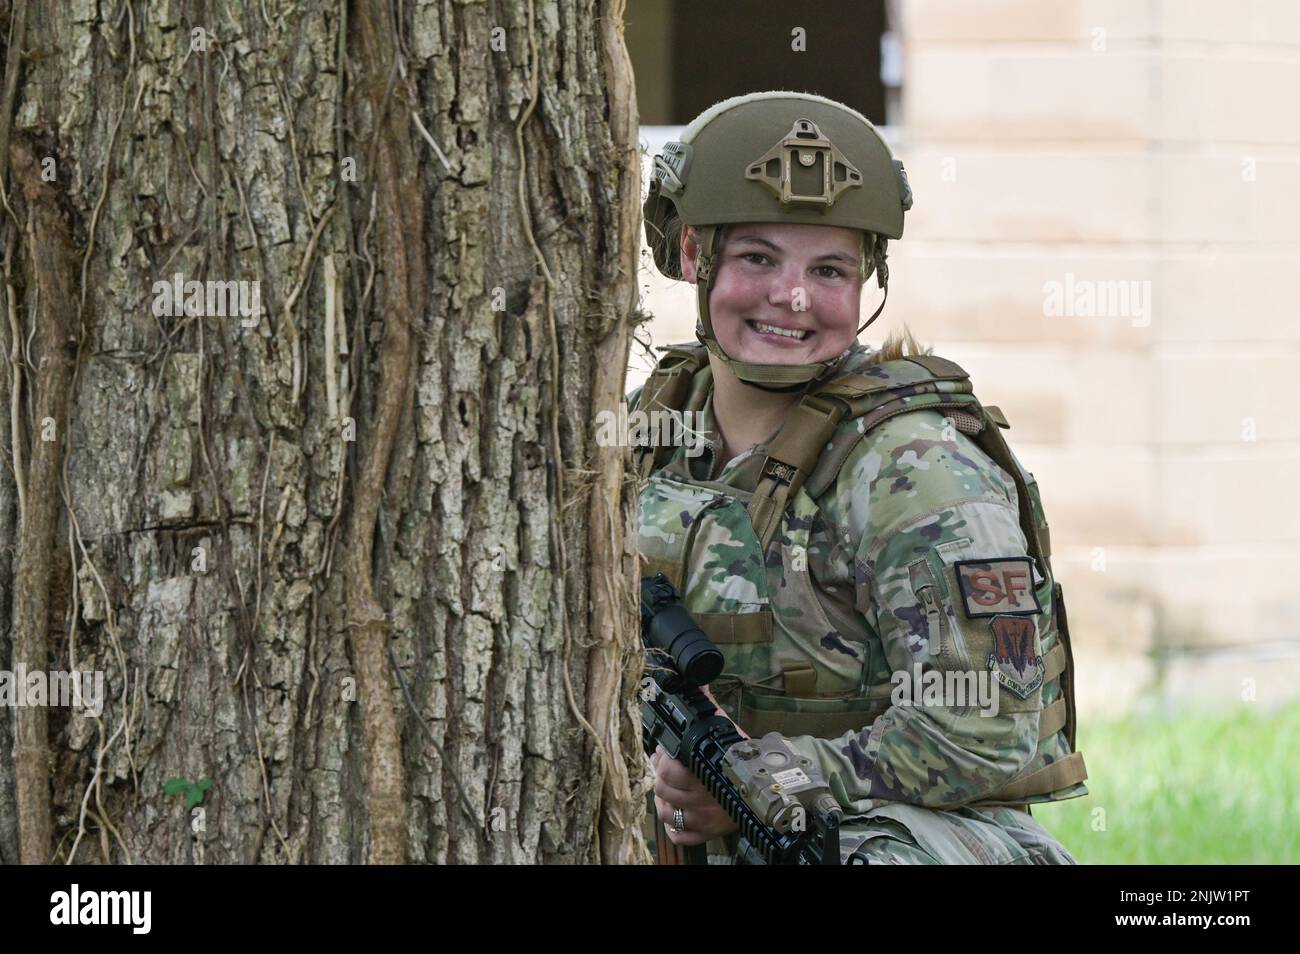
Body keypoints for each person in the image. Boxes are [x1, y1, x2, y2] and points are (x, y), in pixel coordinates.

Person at [630, 91, 1089, 864]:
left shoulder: (916, 469)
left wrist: (762, 782)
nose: (794, 297)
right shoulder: (652, 426)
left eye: (831, 269)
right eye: (757, 258)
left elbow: (982, 733)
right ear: (690, 256)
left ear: (867, 281)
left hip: (898, 829)